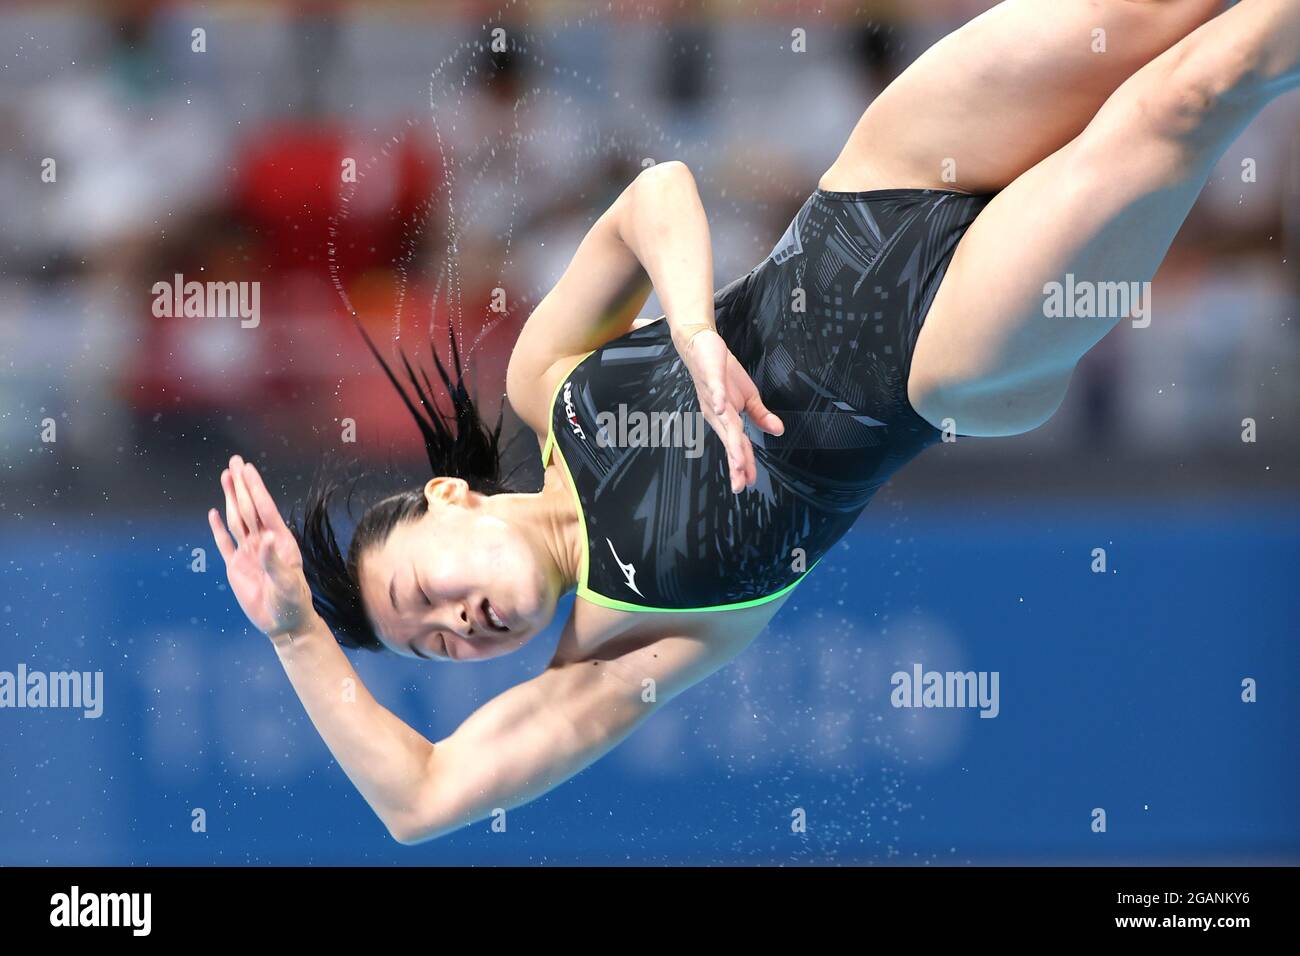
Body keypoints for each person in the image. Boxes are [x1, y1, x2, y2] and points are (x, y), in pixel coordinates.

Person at [208, 0, 1300, 844]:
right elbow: (419, 796)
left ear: (450, 496)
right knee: (1190, 93)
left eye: (423, 592)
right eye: (435, 643)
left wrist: (691, 331)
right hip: (945, 354)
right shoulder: (621, 648)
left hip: (879, 177)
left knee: (1160, 17)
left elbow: (655, 194)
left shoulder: (546, 384)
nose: (457, 624)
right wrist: (298, 632)